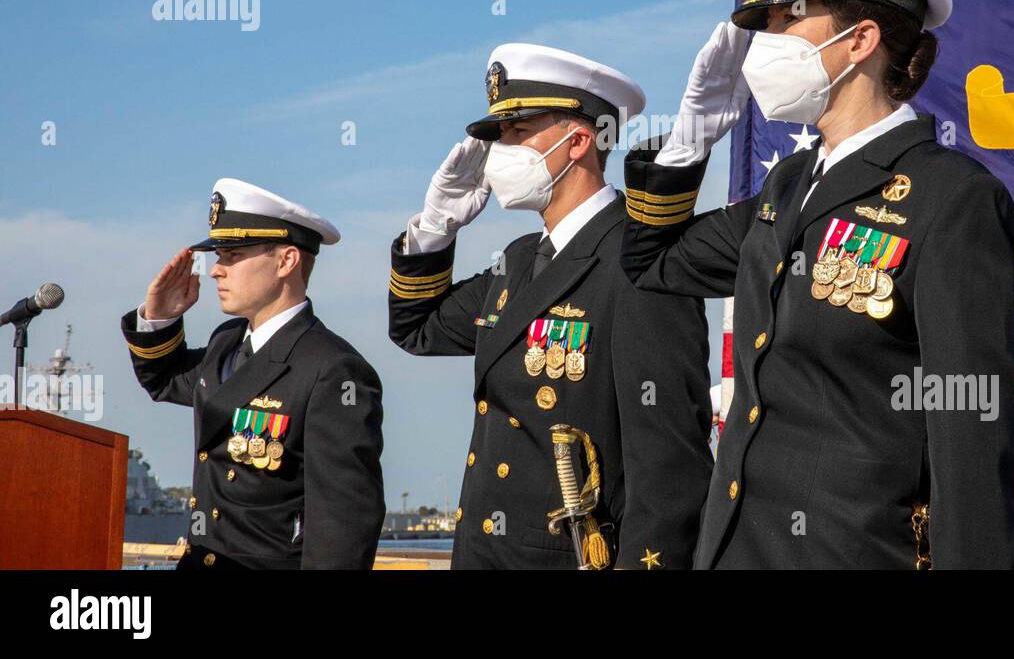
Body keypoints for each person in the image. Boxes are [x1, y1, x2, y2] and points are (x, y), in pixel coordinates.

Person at [620, 0, 1014, 569]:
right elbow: (654, 261)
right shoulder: (788, 190)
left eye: (787, 16)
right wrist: (689, 141)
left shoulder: (950, 199)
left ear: (860, 40)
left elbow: (973, 433)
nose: (766, 38)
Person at [387, 43, 712, 569]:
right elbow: (417, 328)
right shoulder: (514, 263)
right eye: (498, 137)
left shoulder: (638, 261)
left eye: (516, 133)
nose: (499, 154)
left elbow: (669, 466)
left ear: (579, 141)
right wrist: (433, 229)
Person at [121, 178, 385, 569]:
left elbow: (343, 524)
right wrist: (160, 317)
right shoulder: (227, 342)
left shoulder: (332, 369)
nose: (215, 272)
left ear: (286, 261)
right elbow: (165, 380)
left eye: (232, 256)